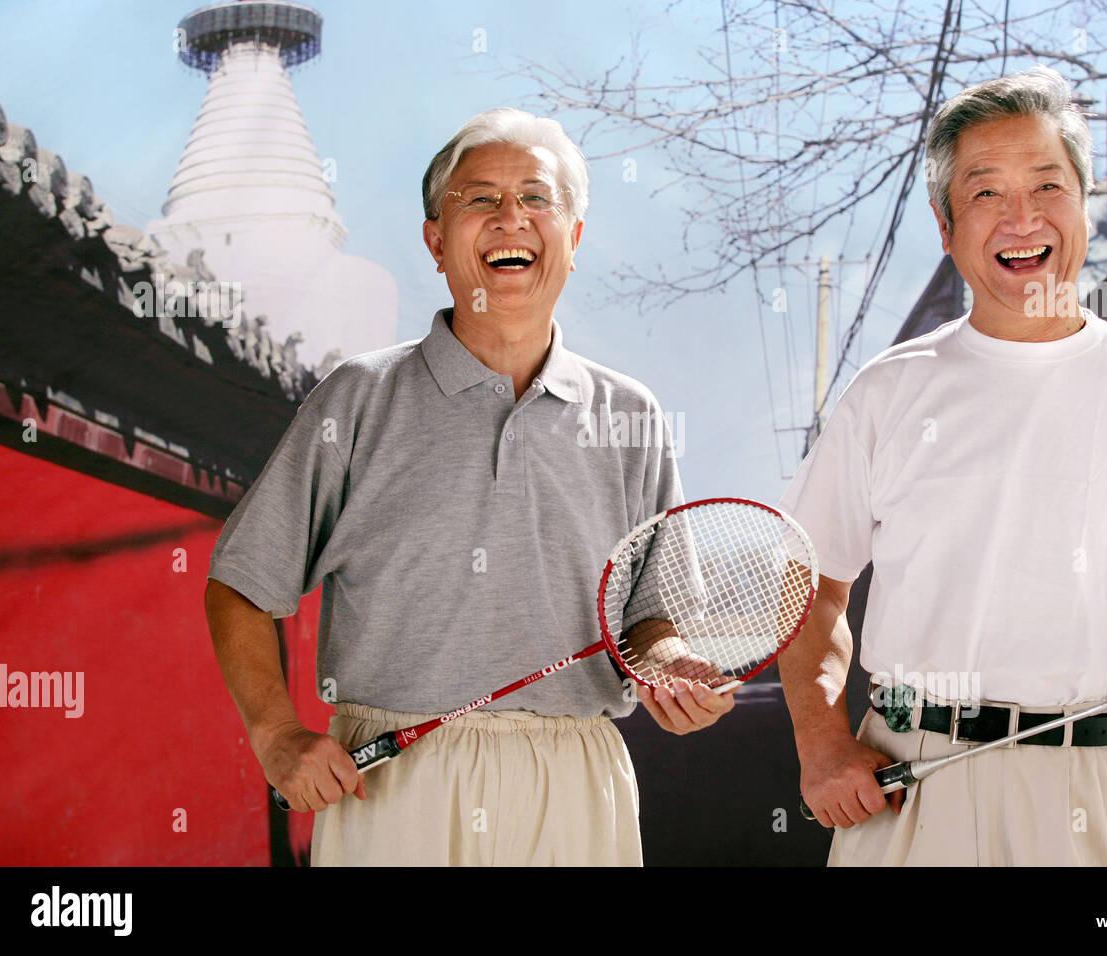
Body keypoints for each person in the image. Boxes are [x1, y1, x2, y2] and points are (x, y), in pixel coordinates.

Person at [204, 108, 734, 866]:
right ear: (435, 241)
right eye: (478, 198)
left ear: (574, 239)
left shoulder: (632, 415)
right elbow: (241, 586)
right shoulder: (357, 398)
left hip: (575, 781)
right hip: (390, 779)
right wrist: (277, 732)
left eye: (536, 198)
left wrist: (669, 663)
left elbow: (650, 619)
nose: (510, 217)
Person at [778, 67, 1107, 866]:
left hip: (1089, 791)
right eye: (985, 193)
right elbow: (814, 590)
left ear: (1084, 204)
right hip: (908, 780)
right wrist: (821, 746)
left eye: (1049, 185)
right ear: (946, 228)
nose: (1022, 217)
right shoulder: (887, 393)